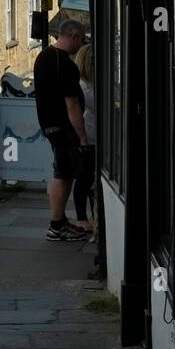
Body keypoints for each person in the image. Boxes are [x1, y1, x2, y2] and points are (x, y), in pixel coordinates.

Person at [33, 20, 90, 241]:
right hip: (62, 127)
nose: (81, 44)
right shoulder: (65, 64)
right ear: (74, 36)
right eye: (82, 39)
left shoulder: (43, 57)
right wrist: (83, 137)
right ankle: (56, 225)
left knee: (63, 171)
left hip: (49, 124)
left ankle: (61, 221)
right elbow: (72, 104)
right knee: (63, 174)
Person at [74, 44, 96, 233]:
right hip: (89, 136)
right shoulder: (85, 87)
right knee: (85, 178)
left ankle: (91, 217)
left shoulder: (89, 85)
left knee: (88, 178)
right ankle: (82, 218)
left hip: (92, 135)